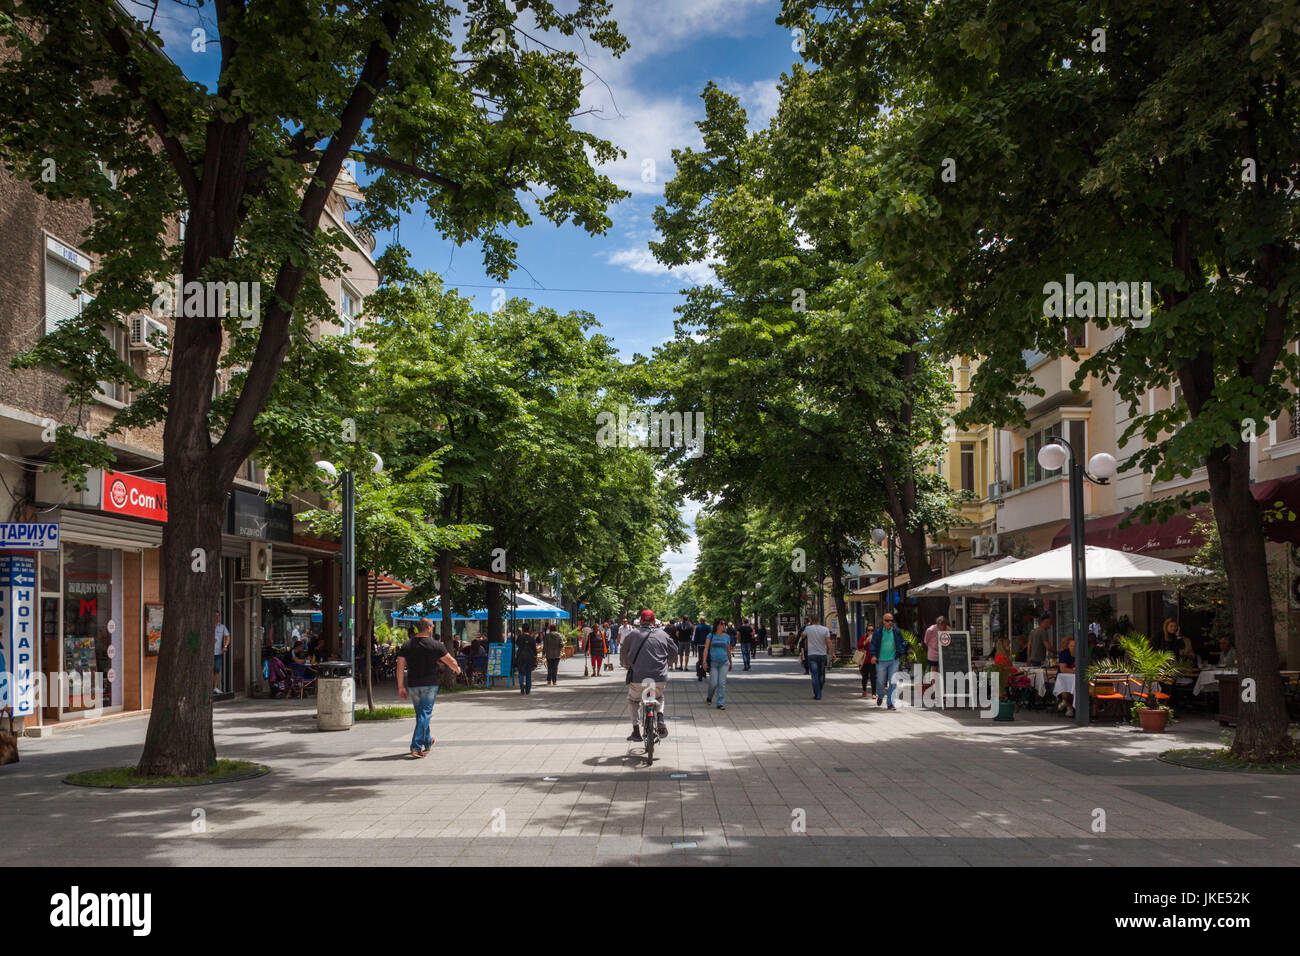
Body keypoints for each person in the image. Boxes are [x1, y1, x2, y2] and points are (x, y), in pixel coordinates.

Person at [396, 617, 460, 757]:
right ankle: (416, 747)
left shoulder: (406, 645)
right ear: (429, 628)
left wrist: (400, 686)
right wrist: (457, 669)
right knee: (425, 714)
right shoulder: (435, 645)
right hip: (429, 684)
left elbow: (400, 666)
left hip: (413, 684)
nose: (432, 628)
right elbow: (450, 660)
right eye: (432, 626)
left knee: (421, 714)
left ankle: (428, 741)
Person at [619, 610, 674, 742]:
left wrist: (625, 664)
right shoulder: (663, 634)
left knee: (633, 700)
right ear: (654, 621)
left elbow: (623, 651)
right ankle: (660, 718)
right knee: (659, 697)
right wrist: (668, 664)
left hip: (638, 678)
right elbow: (674, 650)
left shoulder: (632, 634)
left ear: (641, 621)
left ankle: (636, 731)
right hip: (659, 678)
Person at [870, 612, 903, 709]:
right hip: (880, 661)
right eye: (887, 620)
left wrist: (900, 652)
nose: (890, 622)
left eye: (891, 620)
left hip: (893, 660)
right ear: (883, 621)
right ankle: (880, 695)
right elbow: (873, 644)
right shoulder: (878, 632)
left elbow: (901, 643)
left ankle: (890, 703)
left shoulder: (896, 631)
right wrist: (873, 655)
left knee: (893, 682)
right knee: (880, 681)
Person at [704, 618, 733, 708]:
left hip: (724, 663)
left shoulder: (727, 636)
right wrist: (704, 661)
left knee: (722, 683)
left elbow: (728, 650)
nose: (724, 625)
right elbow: (706, 649)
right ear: (717, 625)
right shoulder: (710, 635)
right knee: (713, 683)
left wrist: (730, 662)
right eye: (722, 624)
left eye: (724, 624)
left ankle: (720, 703)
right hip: (713, 663)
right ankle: (709, 697)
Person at [803, 615, 833, 700]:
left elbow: (802, 636)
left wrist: (807, 627)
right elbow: (828, 642)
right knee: (821, 675)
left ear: (812, 621)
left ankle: (818, 693)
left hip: (812, 655)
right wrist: (832, 652)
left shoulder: (808, 629)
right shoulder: (825, 629)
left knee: (814, 675)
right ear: (819, 620)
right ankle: (819, 691)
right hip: (822, 654)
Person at [922, 615, 949, 683]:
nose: (943, 628)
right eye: (942, 626)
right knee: (934, 671)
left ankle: (943, 687)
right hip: (934, 654)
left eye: (945, 626)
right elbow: (926, 641)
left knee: (945, 671)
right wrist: (933, 647)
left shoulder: (948, 629)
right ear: (938, 624)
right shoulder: (930, 630)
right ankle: (934, 688)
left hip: (945, 654)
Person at [1056, 636, 1077, 717]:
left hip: (1074, 678)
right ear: (1068, 646)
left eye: (1075, 646)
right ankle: (1069, 706)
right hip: (1063, 678)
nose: (1073, 648)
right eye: (1071, 646)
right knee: (1065, 693)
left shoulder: (1080, 654)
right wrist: (1075, 671)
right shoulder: (1064, 653)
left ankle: (1067, 704)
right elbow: (1063, 669)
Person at [514, 628, 538, 695]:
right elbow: (534, 649)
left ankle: (521, 684)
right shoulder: (532, 638)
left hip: (521, 657)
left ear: (523, 630)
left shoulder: (520, 637)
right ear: (529, 630)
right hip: (530, 658)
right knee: (528, 674)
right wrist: (535, 658)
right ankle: (528, 690)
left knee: (521, 672)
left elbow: (517, 644)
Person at [213, 611, 231, 692]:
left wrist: (225, 646)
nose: (216, 618)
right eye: (215, 616)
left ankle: (214, 687)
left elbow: (227, 637)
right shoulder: (207, 625)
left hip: (218, 652)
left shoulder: (222, 627)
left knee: (216, 670)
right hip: (208, 654)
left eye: (218, 616)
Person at [857, 625, 876, 699]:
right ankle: (864, 691)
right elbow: (859, 646)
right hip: (864, 661)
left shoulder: (876, 639)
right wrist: (866, 641)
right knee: (864, 677)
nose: (870, 632)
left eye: (872, 630)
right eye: (869, 630)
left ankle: (874, 693)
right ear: (866, 631)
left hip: (873, 661)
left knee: (873, 677)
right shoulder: (863, 638)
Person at [692, 615, 711, 680]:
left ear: (700, 621)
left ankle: (701, 673)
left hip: (700, 645)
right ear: (705, 621)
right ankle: (703, 672)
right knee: (705, 659)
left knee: (700, 659)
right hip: (707, 645)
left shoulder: (698, 627)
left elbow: (696, 636)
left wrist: (694, 644)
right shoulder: (708, 627)